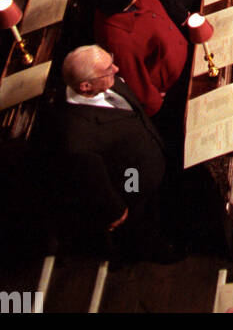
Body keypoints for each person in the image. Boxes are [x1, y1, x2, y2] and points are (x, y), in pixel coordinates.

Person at [49, 44, 169, 260]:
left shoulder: (104, 82)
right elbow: (95, 180)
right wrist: (117, 209)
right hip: (133, 182)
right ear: (85, 86)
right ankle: (155, 251)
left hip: (151, 156)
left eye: (110, 61)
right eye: (107, 69)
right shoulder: (78, 138)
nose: (115, 68)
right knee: (145, 222)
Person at [93, 0, 189, 119]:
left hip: (183, 54)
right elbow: (136, 81)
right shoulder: (118, 41)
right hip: (175, 86)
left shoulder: (132, 0)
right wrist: (157, 105)